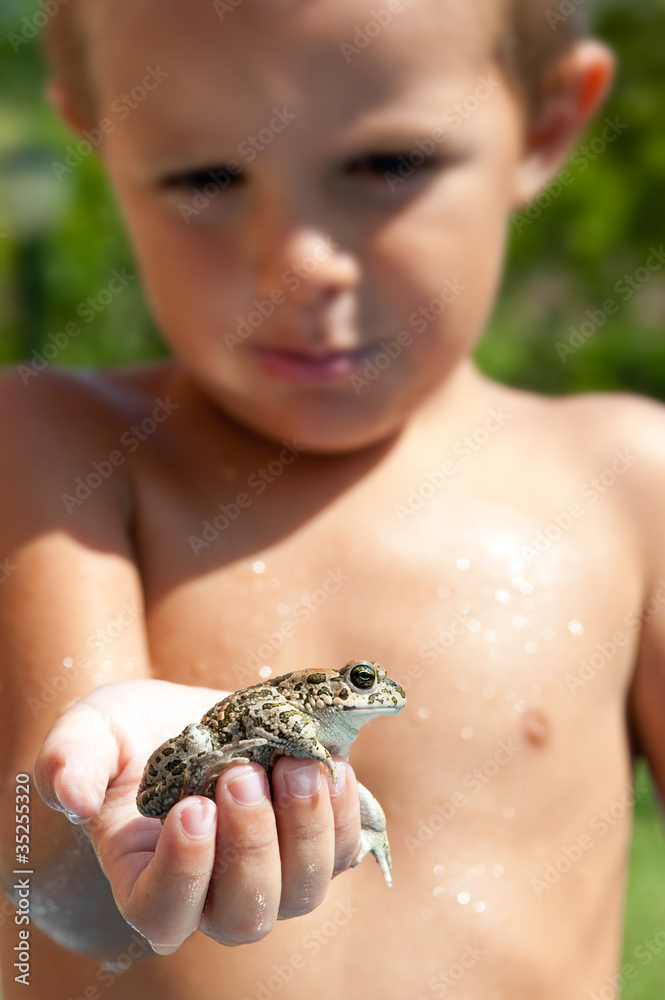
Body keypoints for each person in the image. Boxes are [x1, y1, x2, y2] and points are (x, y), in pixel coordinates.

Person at [1, 0, 663, 996]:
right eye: (204, 176)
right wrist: (123, 808)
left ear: (543, 126)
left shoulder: (629, 479)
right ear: (99, 139)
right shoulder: (52, 450)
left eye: (386, 164)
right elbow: (53, 885)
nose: (299, 263)